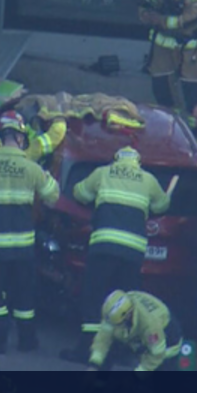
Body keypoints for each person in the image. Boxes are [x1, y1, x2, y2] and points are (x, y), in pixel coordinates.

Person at [59, 146, 171, 363]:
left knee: (94, 298)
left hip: (104, 246)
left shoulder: (103, 172)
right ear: (137, 162)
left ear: (115, 160)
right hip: (132, 252)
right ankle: (122, 354)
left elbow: (80, 193)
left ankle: (89, 351)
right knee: (127, 302)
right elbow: (162, 205)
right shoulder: (148, 179)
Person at [0, 112, 60, 354]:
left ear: (1, 137)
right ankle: (27, 341)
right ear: (20, 138)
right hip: (23, 247)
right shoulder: (31, 167)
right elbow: (52, 197)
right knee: (24, 295)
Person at [87, 290, 185, 372]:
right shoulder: (115, 313)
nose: (113, 326)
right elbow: (103, 337)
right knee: (111, 347)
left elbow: (157, 355)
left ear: (128, 316)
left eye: (117, 324)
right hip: (138, 335)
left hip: (166, 340)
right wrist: (94, 365)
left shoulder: (150, 326)